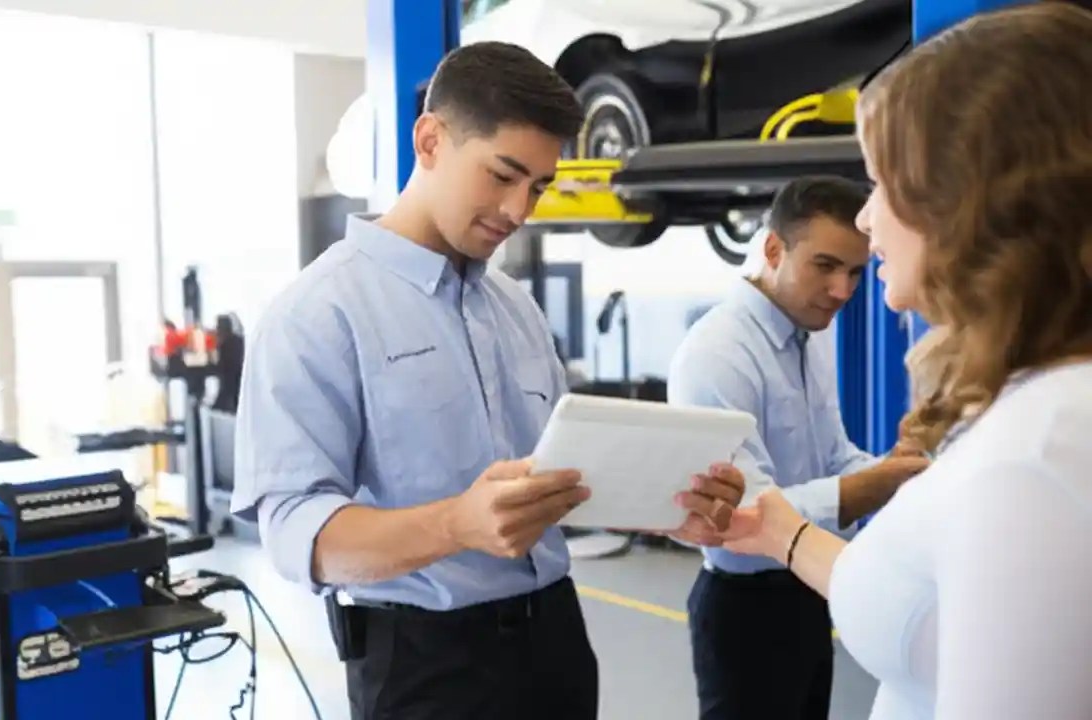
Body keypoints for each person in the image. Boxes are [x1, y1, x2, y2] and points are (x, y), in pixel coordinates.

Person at [230, 41, 746, 720]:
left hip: (556, 643)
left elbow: (562, 479)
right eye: (502, 174)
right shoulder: (316, 314)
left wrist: (671, 508)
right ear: (431, 140)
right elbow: (300, 535)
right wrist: (455, 525)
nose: (518, 210)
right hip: (426, 666)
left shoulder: (516, 309)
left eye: (537, 185)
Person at [719, 3, 1092, 719]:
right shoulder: (1040, 404)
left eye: (882, 184)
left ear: (965, 200)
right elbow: (923, 611)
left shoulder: (1033, 458)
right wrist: (777, 530)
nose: (866, 220)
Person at [668, 176, 930, 720]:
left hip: (809, 588)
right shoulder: (717, 353)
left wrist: (906, 467)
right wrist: (882, 482)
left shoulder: (809, 337)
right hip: (745, 609)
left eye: (856, 272)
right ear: (772, 249)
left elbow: (835, 458)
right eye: (826, 266)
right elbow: (747, 514)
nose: (843, 290)